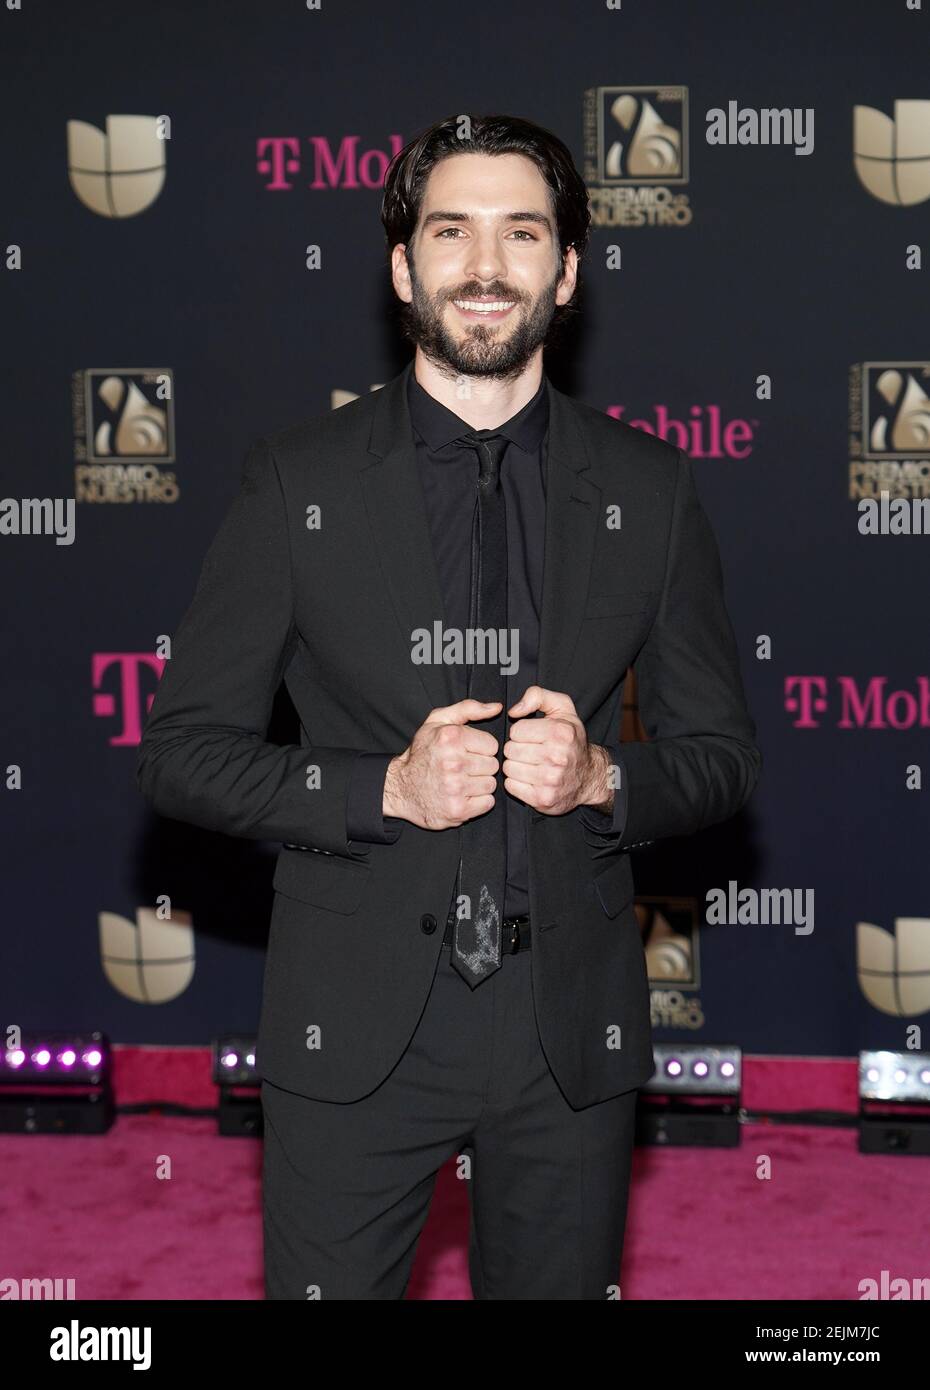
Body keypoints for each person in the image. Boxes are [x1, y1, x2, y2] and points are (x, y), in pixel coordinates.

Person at [136, 112, 761, 1300]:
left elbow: (724, 756)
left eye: (522, 233)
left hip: (566, 1035)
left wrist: (603, 780)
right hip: (355, 1030)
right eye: (451, 231)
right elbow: (181, 755)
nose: (485, 267)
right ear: (402, 266)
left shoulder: (650, 490)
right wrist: (381, 787)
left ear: (567, 272)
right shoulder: (296, 482)